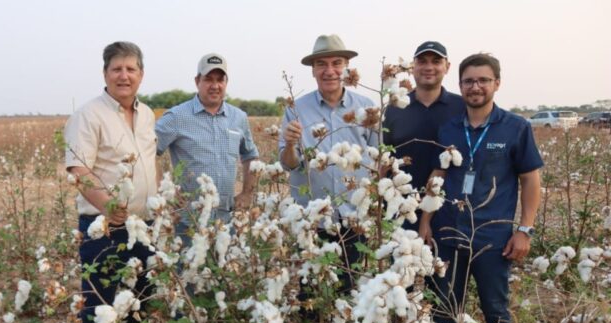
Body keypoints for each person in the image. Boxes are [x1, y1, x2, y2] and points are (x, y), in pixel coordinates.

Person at [419, 53, 543, 323]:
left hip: (493, 238)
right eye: (469, 81)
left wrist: (524, 230)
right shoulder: (448, 128)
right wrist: (426, 219)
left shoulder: (516, 128)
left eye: (483, 80)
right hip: (448, 233)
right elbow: (438, 174)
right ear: (460, 86)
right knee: (444, 308)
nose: (476, 87)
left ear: (496, 84)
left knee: (496, 311)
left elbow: (530, 181)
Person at [64, 41, 159, 323]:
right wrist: (108, 205)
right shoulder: (88, 115)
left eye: (130, 69)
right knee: (96, 308)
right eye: (116, 69)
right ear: (105, 74)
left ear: (141, 75)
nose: (124, 75)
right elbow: (79, 171)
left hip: (142, 228)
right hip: (103, 229)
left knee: (141, 302)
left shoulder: (146, 115)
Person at [280, 34, 377, 292]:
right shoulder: (295, 109)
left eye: (336, 63)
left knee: (350, 292)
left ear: (346, 67)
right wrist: (290, 144)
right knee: (311, 294)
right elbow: (289, 165)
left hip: (354, 221)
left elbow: (379, 162)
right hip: (311, 221)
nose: (330, 71)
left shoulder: (367, 108)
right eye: (322, 64)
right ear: (313, 70)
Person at [155, 53, 259, 235]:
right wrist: (166, 189)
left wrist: (247, 193)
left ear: (226, 82)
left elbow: (250, 156)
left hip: (228, 221)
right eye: (208, 79)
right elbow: (148, 152)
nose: (215, 86)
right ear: (197, 81)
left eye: (220, 80)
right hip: (189, 221)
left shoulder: (238, 117)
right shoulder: (177, 116)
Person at [383, 41, 465, 231]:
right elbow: (385, 158)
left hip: (449, 211)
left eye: (436, 61)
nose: (429, 67)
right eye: (422, 61)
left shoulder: (461, 107)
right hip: (402, 210)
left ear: (447, 67)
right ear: (413, 66)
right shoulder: (396, 106)